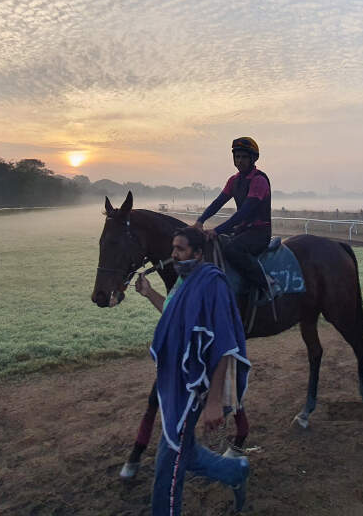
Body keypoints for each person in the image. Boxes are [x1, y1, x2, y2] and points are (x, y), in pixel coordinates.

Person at [135, 227, 252, 514]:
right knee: (183, 450)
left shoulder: (213, 284)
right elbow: (172, 312)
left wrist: (214, 401)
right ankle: (234, 471)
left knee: (169, 460)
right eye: (173, 248)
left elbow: (224, 345)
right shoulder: (183, 281)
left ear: (198, 253)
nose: (174, 254)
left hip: (196, 386)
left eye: (181, 249)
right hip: (177, 380)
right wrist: (149, 293)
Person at [195, 137, 273, 297]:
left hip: (259, 233)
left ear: (253, 159)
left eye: (244, 157)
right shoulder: (234, 180)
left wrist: (217, 230)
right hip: (243, 231)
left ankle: (265, 283)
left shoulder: (259, 180)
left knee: (232, 249)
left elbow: (244, 213)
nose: (240, 161)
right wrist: (200, 221)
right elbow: (218, 203)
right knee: (212, 244)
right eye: (237, 157)